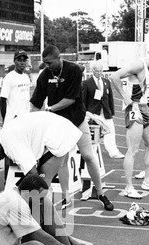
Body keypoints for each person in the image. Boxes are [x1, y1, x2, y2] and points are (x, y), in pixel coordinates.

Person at [30, 45, 114, 212]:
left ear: (58, 57)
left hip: (77, 119)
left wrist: (49, 109)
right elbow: (36, 102)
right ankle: (66, 196)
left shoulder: (74, 70)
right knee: (62, 160)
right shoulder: (45, 75)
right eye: (45, 63)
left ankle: (100, 192)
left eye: (50, 62)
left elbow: (70, 99)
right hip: (58, 124)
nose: (47, 66)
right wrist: (31, 119)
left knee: (88, 156)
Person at [0, 112, 82, 194]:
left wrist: (17, 192)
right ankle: (65, 201)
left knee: (40, 187)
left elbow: (33, 174)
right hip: (60, 126)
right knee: (41, 183)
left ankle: (44, 220)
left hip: (57, 134)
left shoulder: (10, 145)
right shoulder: (4, 134)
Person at [110, 50, 149, 199]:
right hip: (134, 109)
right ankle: (129, 187)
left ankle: (147, 180)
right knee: (133, 149)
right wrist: (125, 98)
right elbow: (114, 76)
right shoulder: (139, 65)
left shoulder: (148, 70)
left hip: (144, 108)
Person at [82, 61, 125, 159]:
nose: (99, 73)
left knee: (110, 131)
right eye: (97, 71)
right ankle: (90, 152)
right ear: (93, 71)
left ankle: (113, 151)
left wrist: (111, 111)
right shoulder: (86, 83)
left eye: (101, 71)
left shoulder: (106, 82)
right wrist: (85, 113)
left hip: (105, 112)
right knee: (91, 134)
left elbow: (110, 98)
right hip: (93, 113)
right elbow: (83, 100)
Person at [0, 49, 31, 126]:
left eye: (24, 60)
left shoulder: (26, 77)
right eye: (19, 60)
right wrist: (5, 119)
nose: (22, 63)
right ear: (14, 61)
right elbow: (2, 100)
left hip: (25, 119)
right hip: (13, 120)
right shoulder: (9, 78)